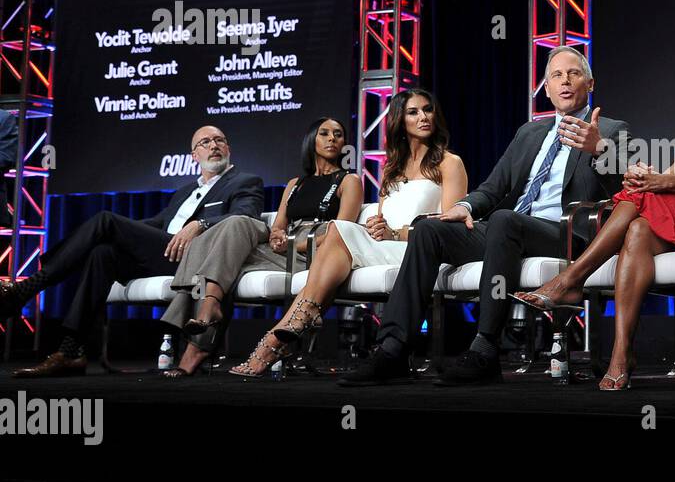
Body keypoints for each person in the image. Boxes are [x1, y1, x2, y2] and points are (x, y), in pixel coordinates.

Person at [339, 46, 629, 387]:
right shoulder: (530, 133)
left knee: (505, 219)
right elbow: (493, 187)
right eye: (556, 76)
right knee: (428, 230)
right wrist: (464, 207)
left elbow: (625, 191)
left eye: (574, 74)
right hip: (509, 231)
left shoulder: (610, 130)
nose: (565, 81)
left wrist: (599, 150)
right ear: (546, 89)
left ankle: (485, 348)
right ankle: (393, 349)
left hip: (565, 233)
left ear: (590, 83)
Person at [515, 48, 675, 390]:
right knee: (638, 225)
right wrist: (641, 177)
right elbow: (660, 184)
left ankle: (570, 280)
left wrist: (659, 183)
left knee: (644, 196)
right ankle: (622, 354)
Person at [230, 89, 465, 377]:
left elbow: (448, 225)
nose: (423, 117)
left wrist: (397, 233)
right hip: (382, 247)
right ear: (399, 121)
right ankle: (293, 326)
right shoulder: (391, 168)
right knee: (340, 232)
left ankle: (282, 334)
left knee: (339, 228)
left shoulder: (449, 162)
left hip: (415, 250)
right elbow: (382, 218)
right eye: (413, 112)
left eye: (428, 110)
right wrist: (376, 226)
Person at [5, 125, 264, 377]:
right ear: (194, 156)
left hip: (199, 258)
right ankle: (70, 350)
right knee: (102, 253)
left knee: (105, 220)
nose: (214, 145)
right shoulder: (186, 191)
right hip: (165, 253)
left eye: (219, 140)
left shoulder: (244, 181)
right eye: (205, 142)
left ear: (228, 147)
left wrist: (201, 224)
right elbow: (156, 224)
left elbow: (245, 217)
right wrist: (120, 233)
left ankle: (29, 287)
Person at [160, 117, 363, 377]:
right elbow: (279, 224)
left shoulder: (349, 181)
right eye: (324, 133)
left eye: (338, 134)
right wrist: (278, 235)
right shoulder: (295, 184)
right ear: (311, 140)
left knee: (226, 254)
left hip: (317, 250)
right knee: (230, 233)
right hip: (284, 248)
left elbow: (342, 231)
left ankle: (198, 339)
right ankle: (209, 307)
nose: (332, 138)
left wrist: (293, 243)